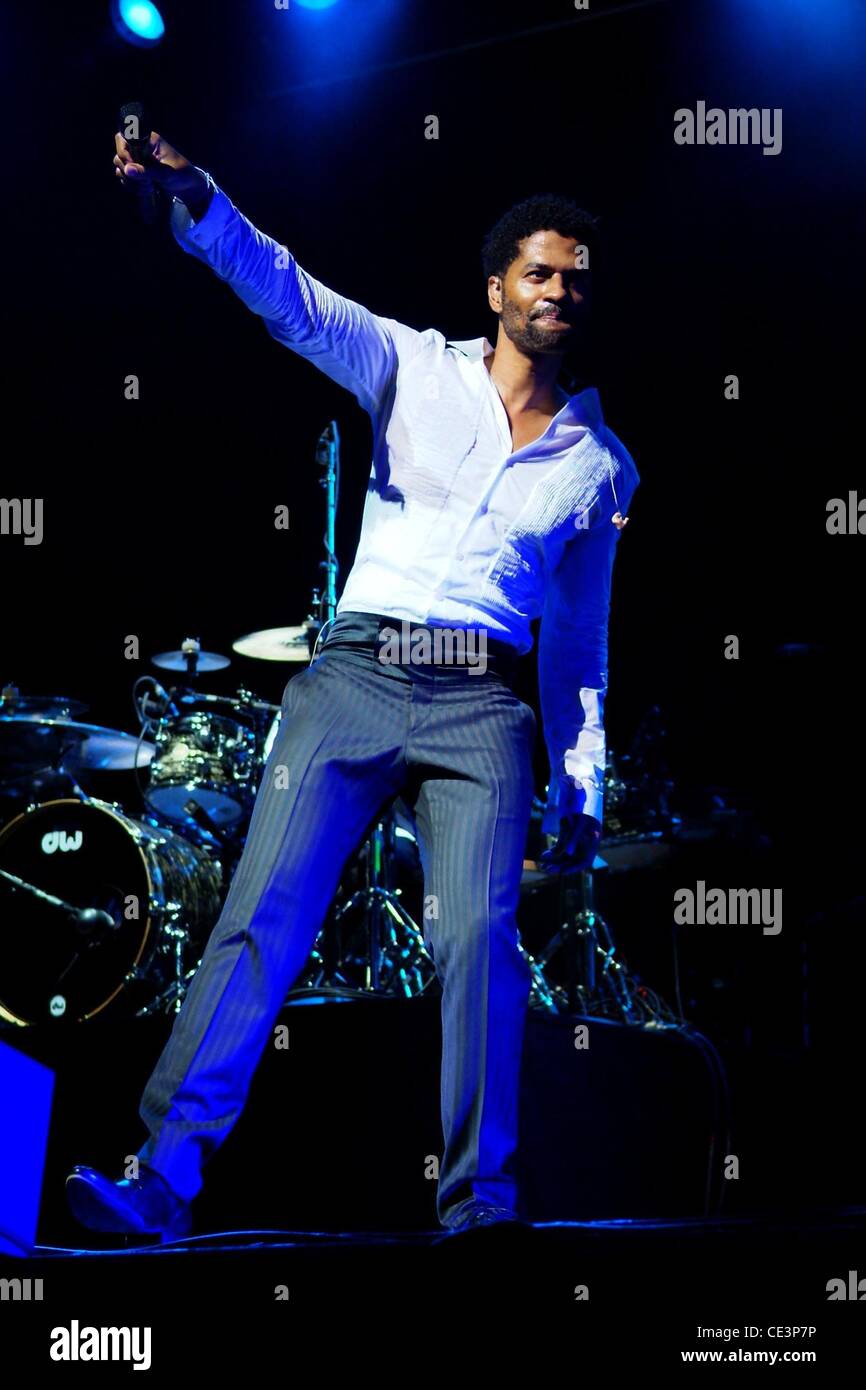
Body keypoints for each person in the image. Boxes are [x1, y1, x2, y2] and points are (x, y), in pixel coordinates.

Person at [66, 128, 639, 1241]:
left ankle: (480, 1202)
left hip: (482, 703)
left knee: (478, 940)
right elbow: (291, 297)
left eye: (575, 276)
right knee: (259, 921)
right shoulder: (411, 366)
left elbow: (578, 643)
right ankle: (161, 1180)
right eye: (537, 270)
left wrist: (582, 784)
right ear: (496, 287)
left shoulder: (600, 466)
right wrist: (203, 199)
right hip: (353, 674)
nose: (558, 288)